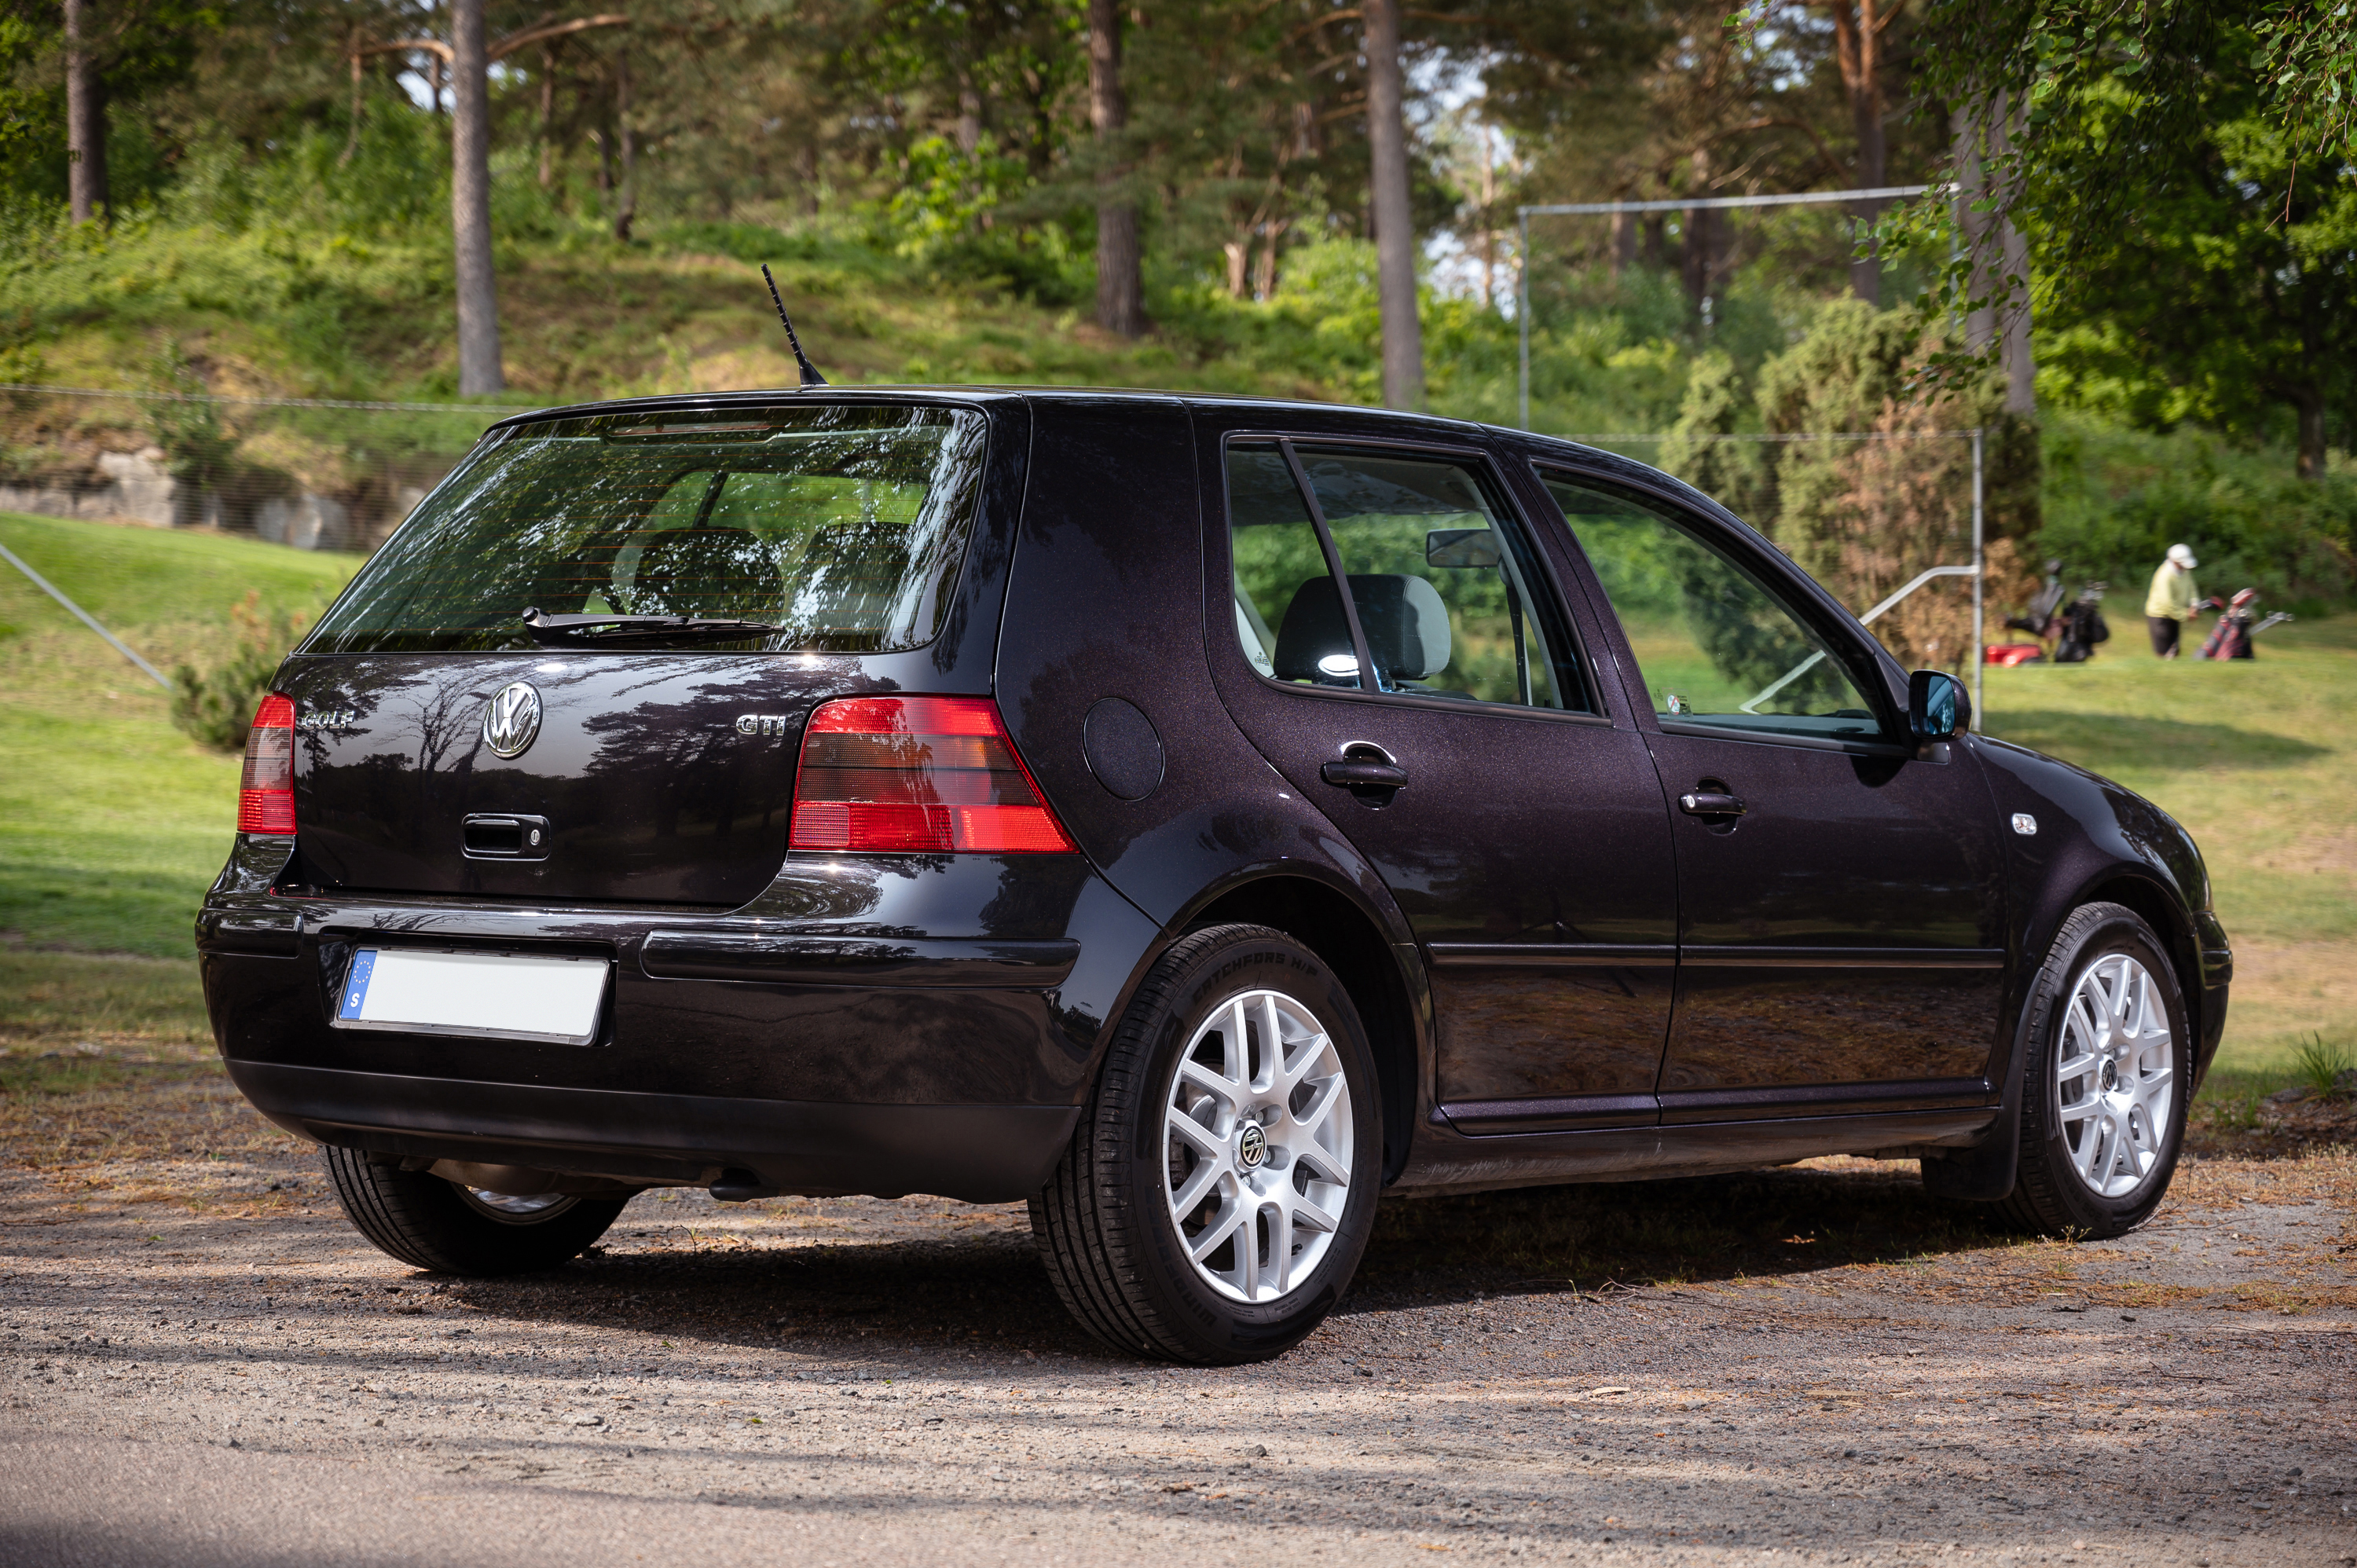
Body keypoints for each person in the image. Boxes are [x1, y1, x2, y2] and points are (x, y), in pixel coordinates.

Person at [2145, 543, 2201, 658]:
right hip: (2159, 616)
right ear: (2175, 562)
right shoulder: (2164, 576)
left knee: (2174, 652)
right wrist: (2186, 615)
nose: (2185, 567)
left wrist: (2195, 605)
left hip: (2175, 614)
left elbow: (2191, 588)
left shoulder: (2185, 571)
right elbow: (2167, 604)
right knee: (2163, 653)